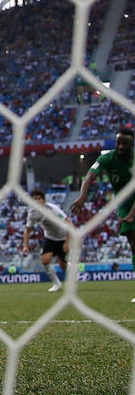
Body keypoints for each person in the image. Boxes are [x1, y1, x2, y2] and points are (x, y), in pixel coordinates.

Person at [71, 126, 135, 300]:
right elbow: (90, 176)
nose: (121, 146)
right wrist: (83, 196)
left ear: (132, 144)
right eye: (118, 142)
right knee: (133, 244)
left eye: (125, 144)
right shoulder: (107, 158)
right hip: (124, 201)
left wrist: (131, 215)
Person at [22, 189, 73, 292]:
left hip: (63, 237)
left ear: (43, 200)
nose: (37, 201)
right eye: (34, 199)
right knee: (45, 260)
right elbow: (27, 231)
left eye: (39, 199)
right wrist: (25, 246)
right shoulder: (32, 213)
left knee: (63, 266)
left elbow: (69, 223)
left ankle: (72, 269)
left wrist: (67, 242)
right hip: (50, 237)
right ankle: (57, 284)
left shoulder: (53, 209)